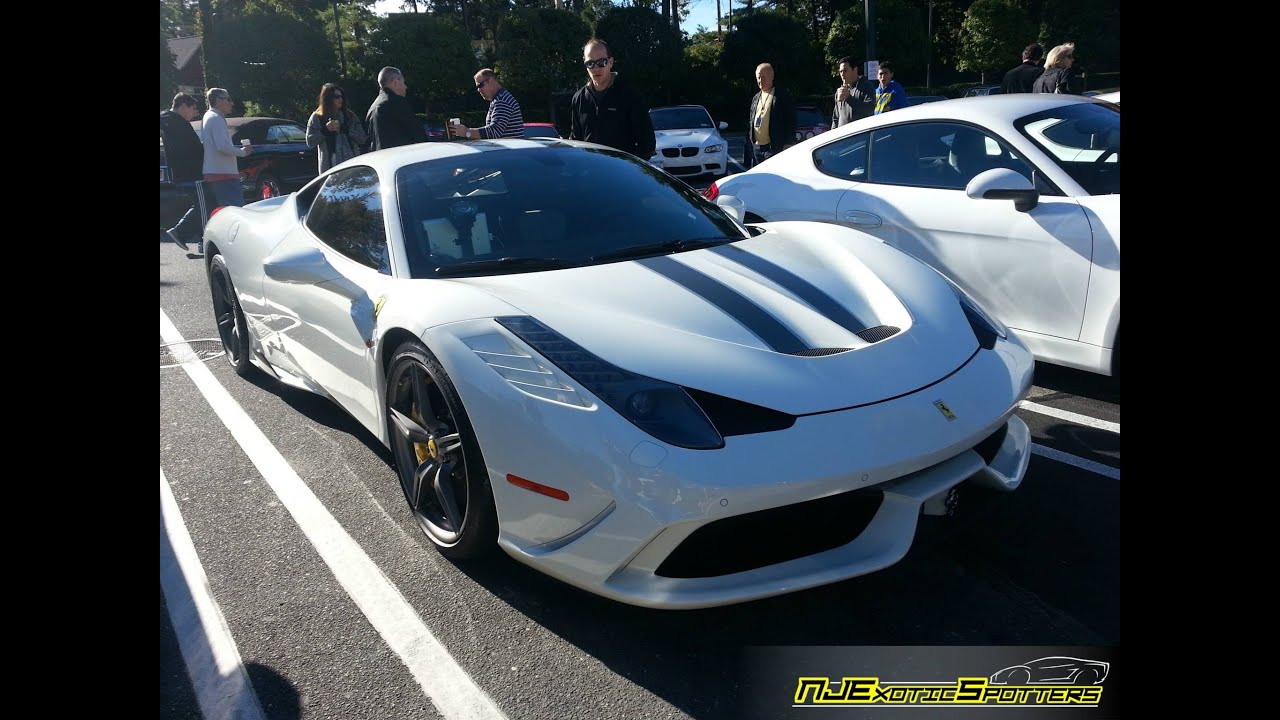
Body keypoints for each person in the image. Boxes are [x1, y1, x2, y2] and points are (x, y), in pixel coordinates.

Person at [568, 39, 656, 160]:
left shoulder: (630, 96)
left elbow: (647, 144)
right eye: (590, 63)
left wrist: (626, 166)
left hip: (621, 170)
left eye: (601, 62)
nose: (596, 68)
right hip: (590, 169)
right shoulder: (579, 99)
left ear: (610, 62)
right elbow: (575, 141)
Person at [199, 87, 253, 255]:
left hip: (217, 172)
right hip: (223, 173)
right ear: (218, 100)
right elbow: (222, 146)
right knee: (235, 211)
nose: (231, 103)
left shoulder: (210, 116)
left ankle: (217, 245)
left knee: (222, 212)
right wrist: (243, 152)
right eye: (228, 99)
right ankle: (237, 248)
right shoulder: (215, 118)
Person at [161, 93, 204, 252]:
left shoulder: (168, 120)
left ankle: (200, 240)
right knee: (203, 205)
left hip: (182, 172)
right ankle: (181, 231)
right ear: (184, 106)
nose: (195, 113)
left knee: (200, 205)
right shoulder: (176, 122)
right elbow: (193, 148)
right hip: (191, 171)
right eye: (193, 108)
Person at [306, 82, 367, 173]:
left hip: (351, 164)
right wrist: (325, 131)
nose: (341, 99)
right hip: (329, 167)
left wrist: (345, 129)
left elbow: (362, 138)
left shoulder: (349, 116)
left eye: (342, 97)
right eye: (337, 97)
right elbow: (310, 142)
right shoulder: (317, 117)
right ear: (328, 98)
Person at [745, 62, 796, 168]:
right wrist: (749, 145)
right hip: (757, 148)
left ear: (771, 76)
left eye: (763, 77)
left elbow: (791, 120)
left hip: (773, 147)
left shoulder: (782, 96)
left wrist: (789, 142)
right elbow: (751, 122)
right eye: (758, 78)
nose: (760, 80)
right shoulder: (756, 98)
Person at [449, 69, 524, 140]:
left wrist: (467, 132)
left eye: (480, 85)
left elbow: (494, 132)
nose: (479, 90)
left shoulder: (502, 100)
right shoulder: (499, 98)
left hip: (510, 149)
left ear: (490, 80)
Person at [365, 66, 427, 151]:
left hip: (381, 156)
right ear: (395, 82)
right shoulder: (396, 103)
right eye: (404, 83)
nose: (406, 87)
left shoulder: (372, 108)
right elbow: (418, 134)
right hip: (401, 155)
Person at [831, 57, 876, 128]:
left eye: (845, 71)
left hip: (860, 132)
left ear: (855, 70)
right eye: (841, 71)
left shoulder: (866, 86)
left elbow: (869, 109)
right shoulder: (840, 91)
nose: (842, 74)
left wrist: (849, 98)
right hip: (843, 134)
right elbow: (836, 118)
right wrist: (833, 132)